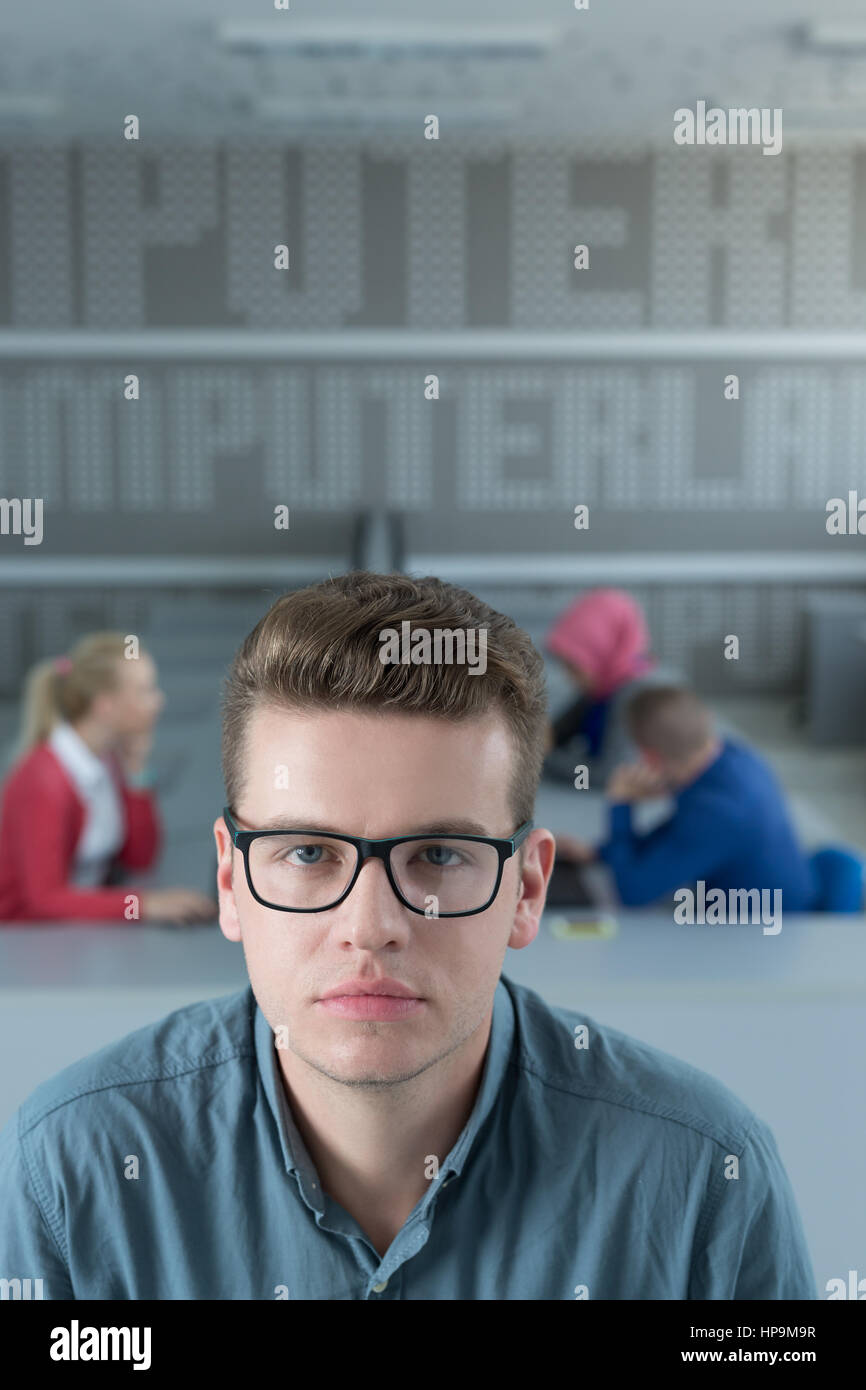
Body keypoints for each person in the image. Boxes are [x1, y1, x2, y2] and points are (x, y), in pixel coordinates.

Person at [0, 575, 815, 1297]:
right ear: (231, 881)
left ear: (526, 889)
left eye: (437, 855)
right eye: (309, 853)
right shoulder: (70, 1172)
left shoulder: (711, 1180)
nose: (371, 927)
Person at [0, 633, 216, 924]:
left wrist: (136, 770)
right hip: (22, 941)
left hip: (73, 936)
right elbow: (44, 901)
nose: (158, 701)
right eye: (144, 691)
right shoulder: (44, 778)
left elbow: (139, 859)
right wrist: (143, 906)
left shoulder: (107, 762)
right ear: (105, 705)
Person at [558, 685, 817, 912]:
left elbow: (632, 894)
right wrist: (598, 853)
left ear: (650, 758)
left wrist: (622, 804)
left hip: (765, 932)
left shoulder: (717, 812)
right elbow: (676, 837)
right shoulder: (735, 756)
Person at [543, 587, 669, 787]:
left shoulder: (635, 695)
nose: (569, 677)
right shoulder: (602, 686)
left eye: (575, 666)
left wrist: (545, 759)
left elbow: (610, 775)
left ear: (602, 652)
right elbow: (554, 734)